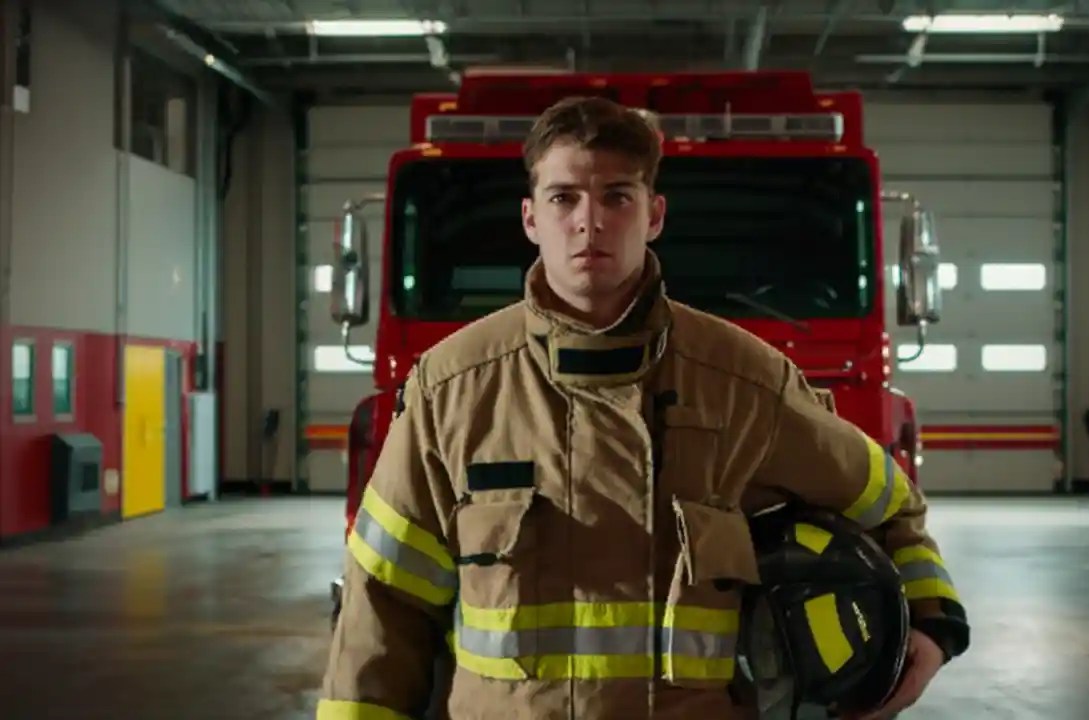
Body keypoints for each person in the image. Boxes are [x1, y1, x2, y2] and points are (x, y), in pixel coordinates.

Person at [317, 95, 970, 720]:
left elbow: (890, 505)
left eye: (616, 197)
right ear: (530, 218)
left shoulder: (746, 385)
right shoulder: (450, 391)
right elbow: (382, 606)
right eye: (564, 197)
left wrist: (932, 617)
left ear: (653, 215)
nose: (589, 221)